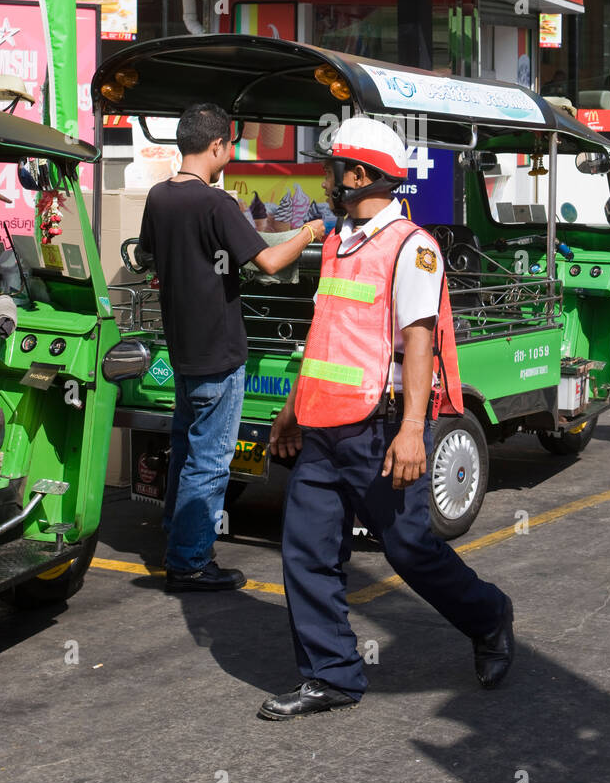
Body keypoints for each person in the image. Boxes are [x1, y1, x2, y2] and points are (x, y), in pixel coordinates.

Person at [258, 117, 513, 720]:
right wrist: (292, 412)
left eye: (333, 168)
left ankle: (489, 616)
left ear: (362, 175)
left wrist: (409, 430)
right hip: (323, 426)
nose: (325, 179)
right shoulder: (336, 240)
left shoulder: (412, 247)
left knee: (410, 551)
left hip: (382, 426)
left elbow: (418, 342)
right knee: (306, 551)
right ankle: (332, 676)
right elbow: (325, 334)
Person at [137, 103, 325, 592]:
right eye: (230, 146)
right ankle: (190, 563)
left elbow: (145, 255)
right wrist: (308, 232)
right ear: (218, 145)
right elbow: (267, 262)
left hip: (181, 349)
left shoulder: (159, 197)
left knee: (185, 450)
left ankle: (176, 541)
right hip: (218, 352)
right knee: (210, 459)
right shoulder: (216, 204)